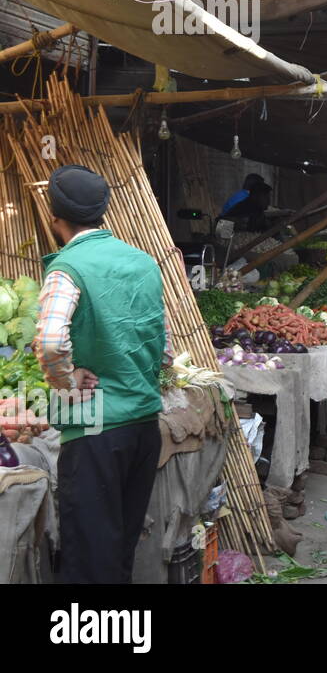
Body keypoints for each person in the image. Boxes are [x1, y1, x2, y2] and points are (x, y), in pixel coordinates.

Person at [34, 165, 169, 583]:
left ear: (54, 217)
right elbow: (160, 347)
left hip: (93, 426)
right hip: (144, 425)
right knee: (119, 550)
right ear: (102, 212)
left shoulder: (67, 267)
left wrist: (66, 380)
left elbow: (51, 341)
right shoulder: (143, 263)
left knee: (89, 558)